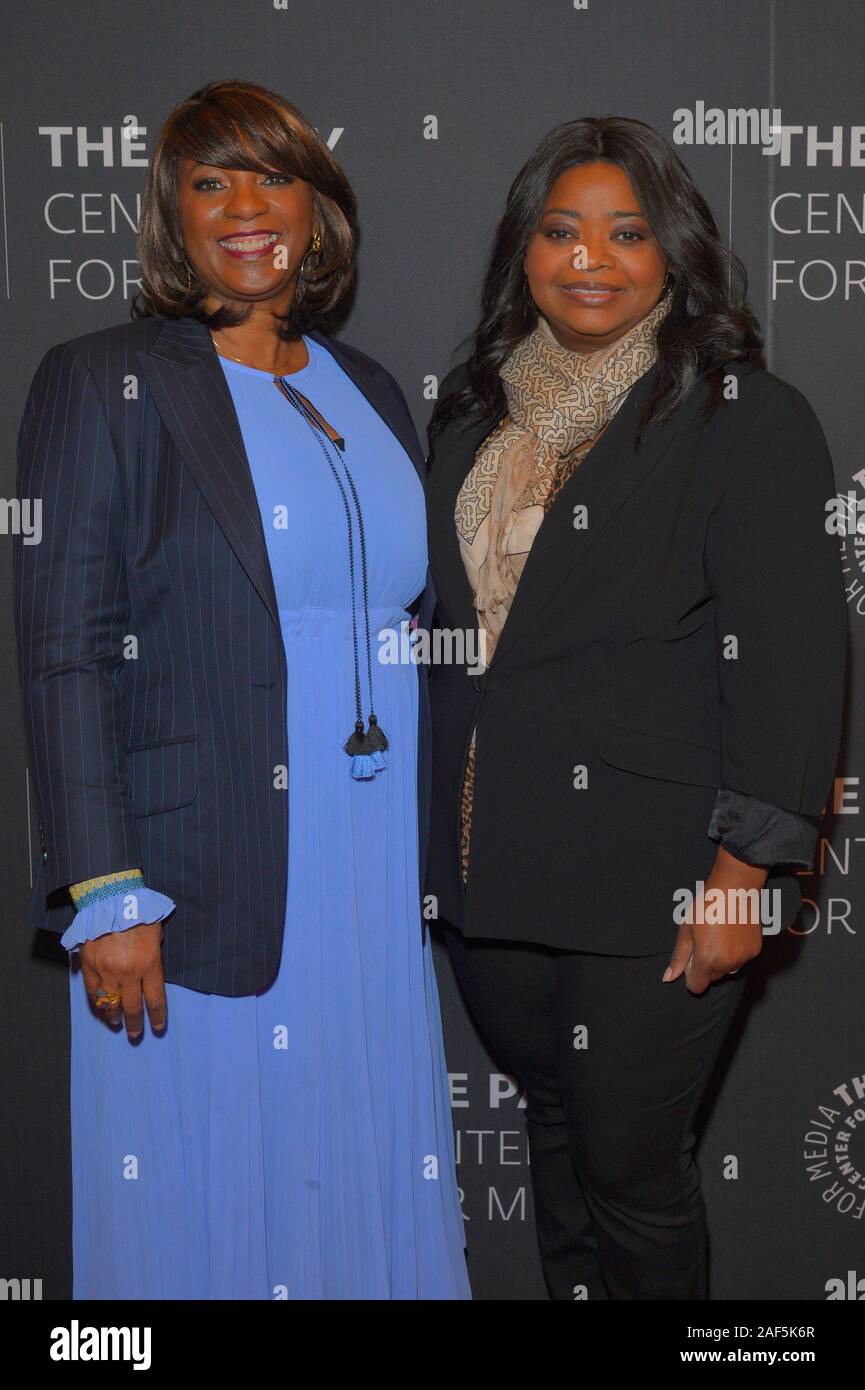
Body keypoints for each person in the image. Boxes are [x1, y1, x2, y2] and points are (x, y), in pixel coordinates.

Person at [13, 78, 470, 1301]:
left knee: (356, 1161)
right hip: (198, 872)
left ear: (319, 211)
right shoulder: (100, 378)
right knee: (198, 1194)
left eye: (272, 176)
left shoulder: (366, 388)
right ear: (172, 213)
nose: (245, 207)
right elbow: (64, 647)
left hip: (364, 874)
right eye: (209, 181)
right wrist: (107, 894)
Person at [423, 116, 846, 1300]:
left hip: (653, 884)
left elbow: (792, 660)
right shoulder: (472, 420)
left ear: (674, 253)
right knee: (556, 1157)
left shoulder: (741, 416)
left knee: (630, 1176)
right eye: (560, 231)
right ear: (524, 251)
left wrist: (744, 870)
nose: (589, 258)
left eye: (626, 231)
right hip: (489, 869)